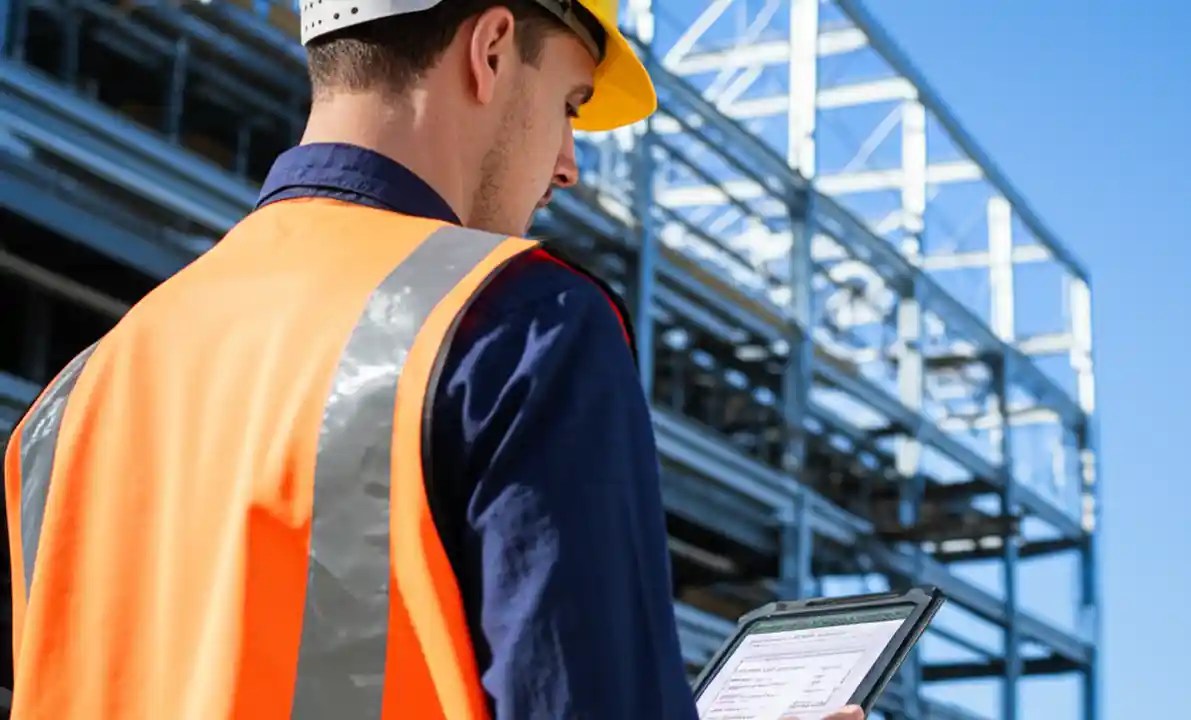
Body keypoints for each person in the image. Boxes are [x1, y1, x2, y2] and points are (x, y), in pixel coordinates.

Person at [3, 0, 866, 718]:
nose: (567, 167)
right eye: (568, 106)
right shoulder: (516, 321)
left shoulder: (68, 403)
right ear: (491, 49)